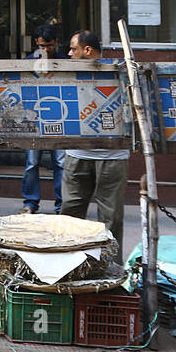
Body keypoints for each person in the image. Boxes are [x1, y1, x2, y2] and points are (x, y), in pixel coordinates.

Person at [60, 30, 127, 250]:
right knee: (69, 217)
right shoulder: (67, 74)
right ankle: (67, 265)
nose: (70, 54)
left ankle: (110, 268)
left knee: (110, 220)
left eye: (74, 49)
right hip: (76, 154)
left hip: (112, 157)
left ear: (87, 50)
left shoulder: (120, 71)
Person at [22, 24, 65, 214]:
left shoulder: (65, 61)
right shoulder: (28, 62)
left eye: (49, 46)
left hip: (60, 118)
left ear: (56, 42)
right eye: (42, 46)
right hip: (34, 119)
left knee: (61, 163)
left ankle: (62, 204)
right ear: (36, 44)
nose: (46, 50)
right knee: (32, 163)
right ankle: (30, 203)